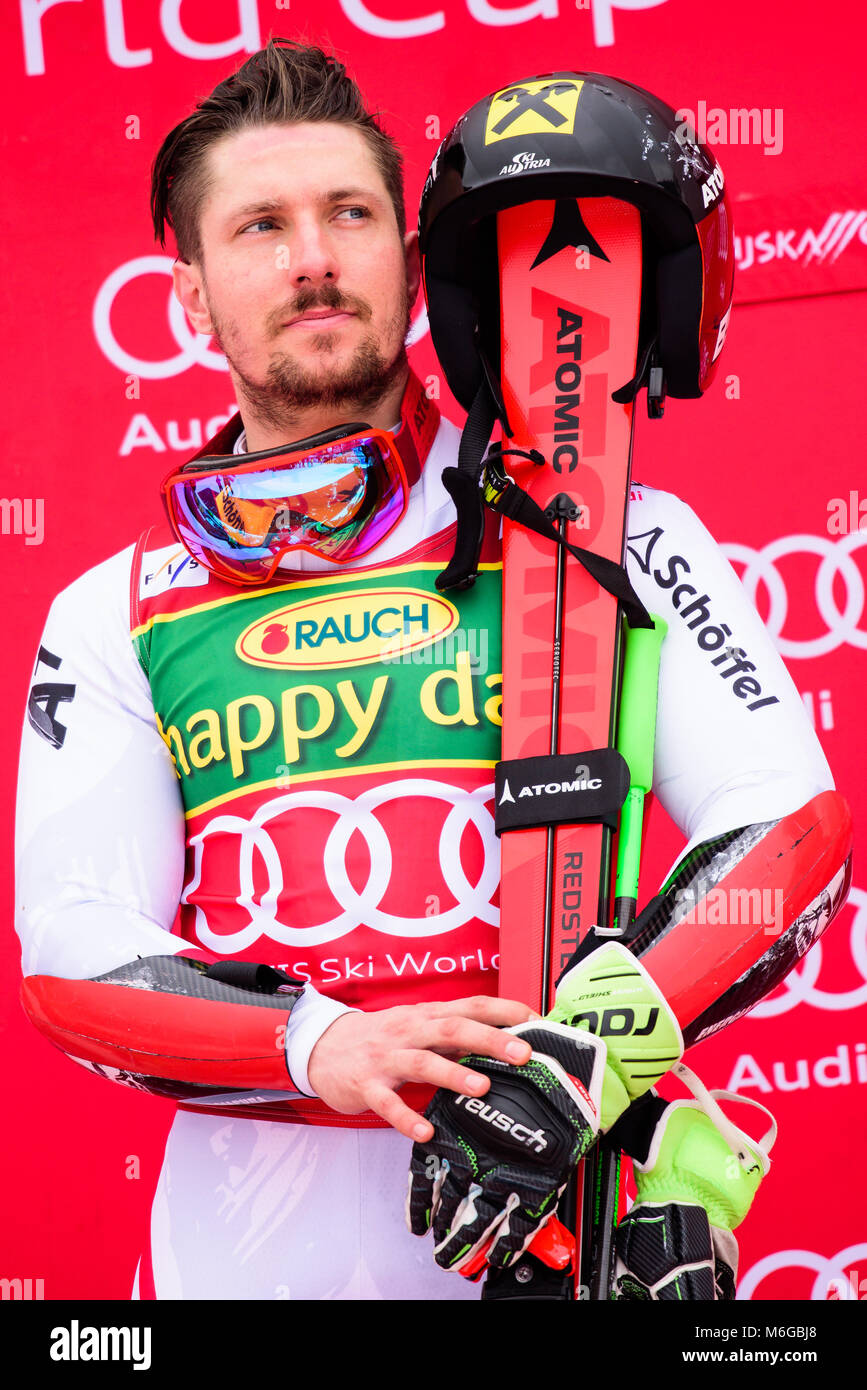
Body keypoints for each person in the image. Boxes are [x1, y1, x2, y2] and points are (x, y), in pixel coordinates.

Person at [15, 39, 851, 1301]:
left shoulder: (608, 526)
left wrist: (583, 1061)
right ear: (189, 294)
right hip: (245, 1262)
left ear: (410, 263)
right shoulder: (112, 611)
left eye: (349, 213)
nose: (311, 256)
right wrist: (324, 1043)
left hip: (578, 1244)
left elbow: (792, 835)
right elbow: (72, 957)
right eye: (259, 226)